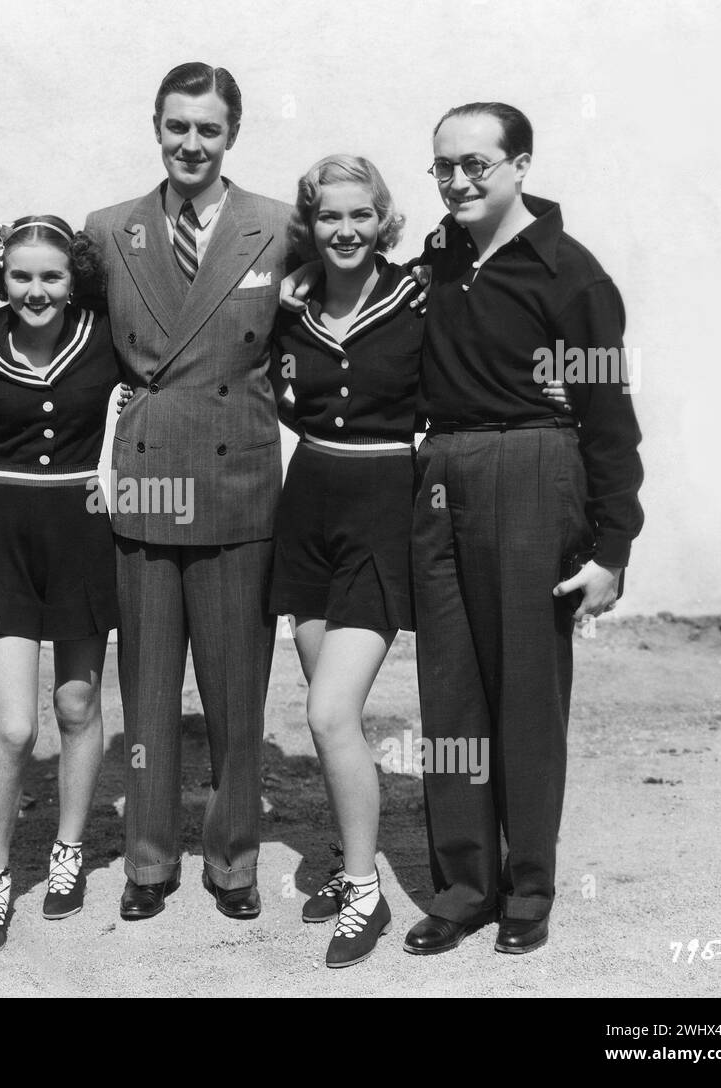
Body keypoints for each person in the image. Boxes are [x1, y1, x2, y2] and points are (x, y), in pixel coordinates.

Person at [290, 104, 644, 956]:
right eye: (443, 166)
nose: (458, 181)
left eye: (476, 165)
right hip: (439, 473)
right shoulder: (439, 259)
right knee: (450, 695)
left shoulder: (571, 273)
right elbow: (353, 293)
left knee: (524, 691)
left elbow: (608, 418)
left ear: (520, 164)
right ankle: (463, 885)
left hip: (532, 470)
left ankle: (528, 890)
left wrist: (612, 548)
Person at [0, 64, 295, 923]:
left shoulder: (280, 227)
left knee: (234, 690)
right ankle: (147, 861)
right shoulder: (108, 232)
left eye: (208, 129)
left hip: (235, 482)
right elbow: (40, 310)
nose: (191, 144)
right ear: (156, 127)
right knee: (142, 693)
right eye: (177, 126)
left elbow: (353, 308)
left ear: (232, 135)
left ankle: (234, 860)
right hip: (141, 487)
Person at [266, 155, 421, 967]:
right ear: (311, 224)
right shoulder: (288, 305)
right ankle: (349, 853)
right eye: (330, 217)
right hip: (309, 505)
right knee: (334, 716)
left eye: (361, 215)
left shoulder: (418, 295)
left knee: (328, 714)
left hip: (383, 508)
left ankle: (366, 890)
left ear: (383, 218)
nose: (347, 230)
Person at [0, 216, 119, 951]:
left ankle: (67, 852)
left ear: (73, 278)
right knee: (16, 724)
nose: (36, 290)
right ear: (1, 278)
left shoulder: (107, 334)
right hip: (6, 535)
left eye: (51, 276)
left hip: (83, 532)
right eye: (21, 276)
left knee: (78, 703)